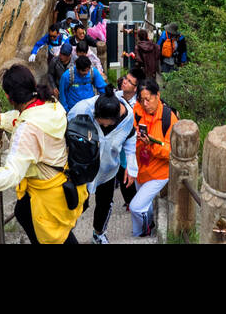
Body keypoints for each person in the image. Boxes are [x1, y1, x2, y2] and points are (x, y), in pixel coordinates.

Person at [0, 65, 85, 244]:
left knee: (55, 238)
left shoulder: (28, 131)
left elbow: (11, 175)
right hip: (63, 181)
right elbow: (25, 115)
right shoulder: (49, 103)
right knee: (22, 211)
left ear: (8, 96)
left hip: (48, 196)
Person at [68, 91, 138, 244]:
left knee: (105, 203)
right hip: (83, 166)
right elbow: (65, 130)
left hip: (108, 169)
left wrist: (131, 165)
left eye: (108, 122)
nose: (104, 125)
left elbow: (130, 136)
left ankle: (99, 233)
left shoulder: (127, 116)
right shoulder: (83, 109)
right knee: (78, 202)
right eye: (100, 121)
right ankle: (65, 231)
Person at [130, 78, 174, 237]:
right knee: (145, 206)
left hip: (159, 173)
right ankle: (145, 229)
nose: (145, 103)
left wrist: (152, 145)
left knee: (136, 207)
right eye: (142, 100)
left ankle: (142, 234)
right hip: (141, 168)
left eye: (148, 99)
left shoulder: (169, 118)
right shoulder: (137, 111)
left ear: (158, 96)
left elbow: (171, 152)